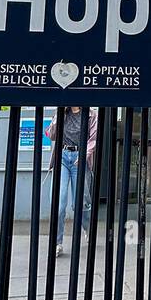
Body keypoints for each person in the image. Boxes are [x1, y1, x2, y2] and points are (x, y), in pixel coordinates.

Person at [46, 105, 98, 256]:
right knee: (58, 202)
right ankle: (57, 243)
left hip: (80, 157)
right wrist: (58, 116)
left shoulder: (91, 114)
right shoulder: (61, 111)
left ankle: (87, 228)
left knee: (81, 203)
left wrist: (84, 155)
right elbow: (51, 135)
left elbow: (93, 139)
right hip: (62, 156)